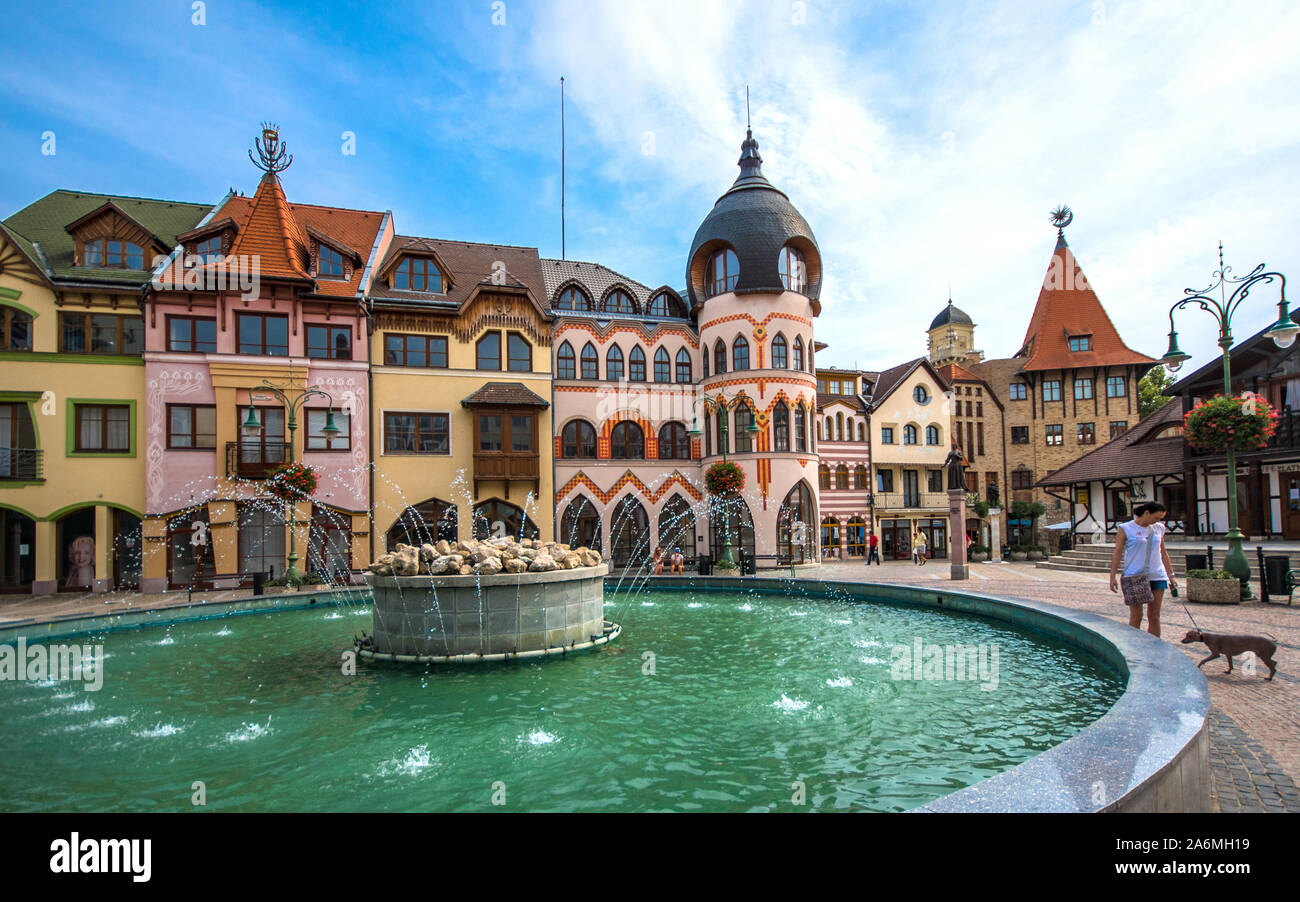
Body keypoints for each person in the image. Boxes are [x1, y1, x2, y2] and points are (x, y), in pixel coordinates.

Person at [1108, 501, 1177, 637]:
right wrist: (1112, 576)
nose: (1158, 521)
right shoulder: (1126, 528)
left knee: (1154, 615)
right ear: (1146, 513)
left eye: (1160, 518)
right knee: (1136, 616)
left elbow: (1163, 552)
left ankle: (1154, 648)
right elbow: (1117, 552)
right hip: (1134, 575)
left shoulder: (1159, 528)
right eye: (1156, 517)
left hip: (1157, 574)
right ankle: (1134, 649)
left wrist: (1171, 575)